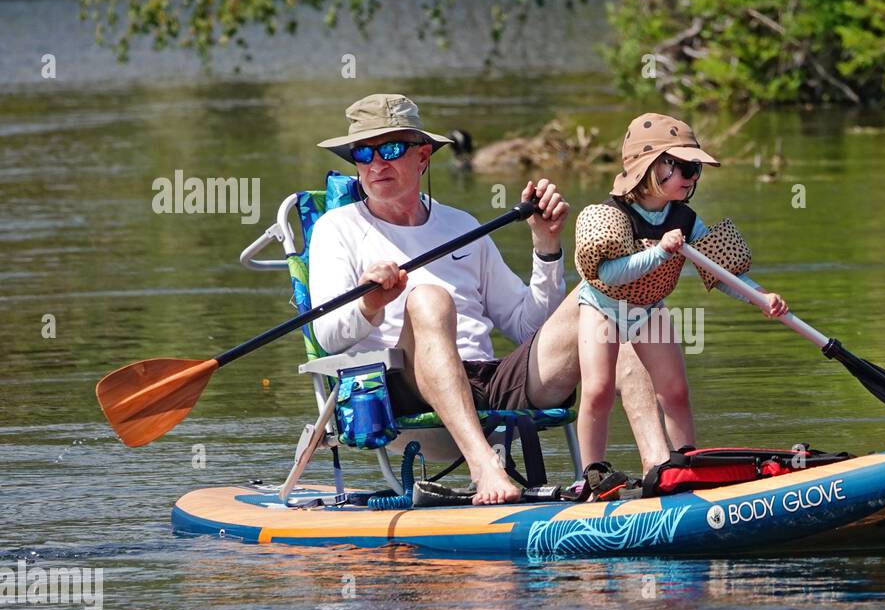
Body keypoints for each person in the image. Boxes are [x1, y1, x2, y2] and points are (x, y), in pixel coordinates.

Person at [309, 94, 663, 504]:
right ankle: (484, 468)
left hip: (491, 384)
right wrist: (369, 304)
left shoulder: (462, 225)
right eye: (363, 153)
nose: (376, 164)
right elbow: (328, 337)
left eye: (390, 149)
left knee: (607, 295)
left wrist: (546, 246)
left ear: (423, 156)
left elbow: (529, 327)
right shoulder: (337, 229)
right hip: (404, 396)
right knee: (428, 298)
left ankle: (658, 467)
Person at [572, 113, 788, 476]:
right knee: (598, 390)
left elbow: (722, 275)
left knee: (675, 392)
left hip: (647, 309)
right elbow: (609, 273)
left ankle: (689, 464)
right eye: (684, 169)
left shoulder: (687, 221)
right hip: (603, 306)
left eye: (696, 171)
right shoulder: (613, 215)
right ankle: (592, 474)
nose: (692, 178)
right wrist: (660, 251)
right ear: (651, 168)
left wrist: (761, 297)